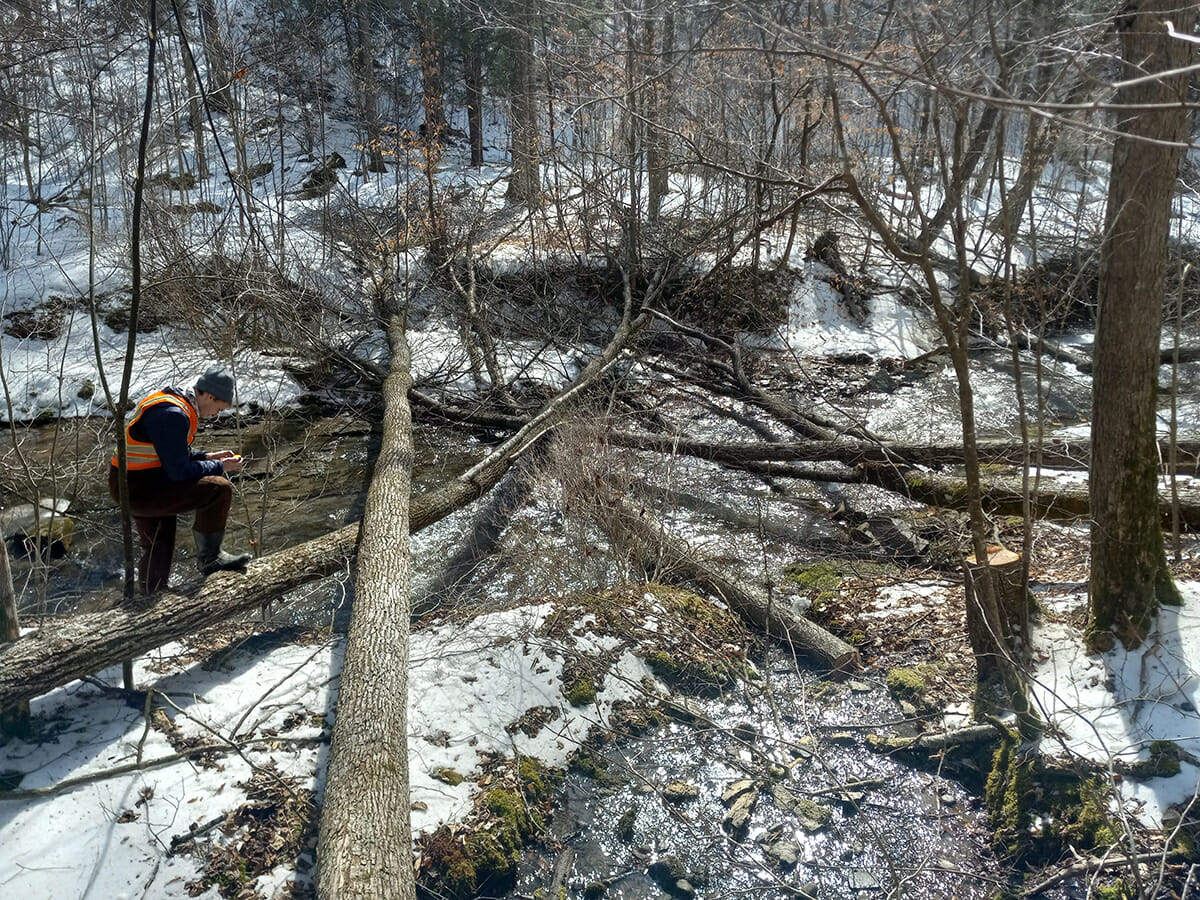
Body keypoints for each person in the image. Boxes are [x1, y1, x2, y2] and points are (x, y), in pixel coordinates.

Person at [109, 365, 253, 593]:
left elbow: (168, 452)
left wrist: (207, 456)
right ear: (209, 396)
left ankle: (150, 598)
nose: (215, 415)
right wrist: (219, 466)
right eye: (218, 408)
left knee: (159, 543)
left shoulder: (172, 403)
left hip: (134, 482)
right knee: (218, 489)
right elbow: (178, 471)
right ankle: (210, 559)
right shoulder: (173, 415)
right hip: (140, 487)